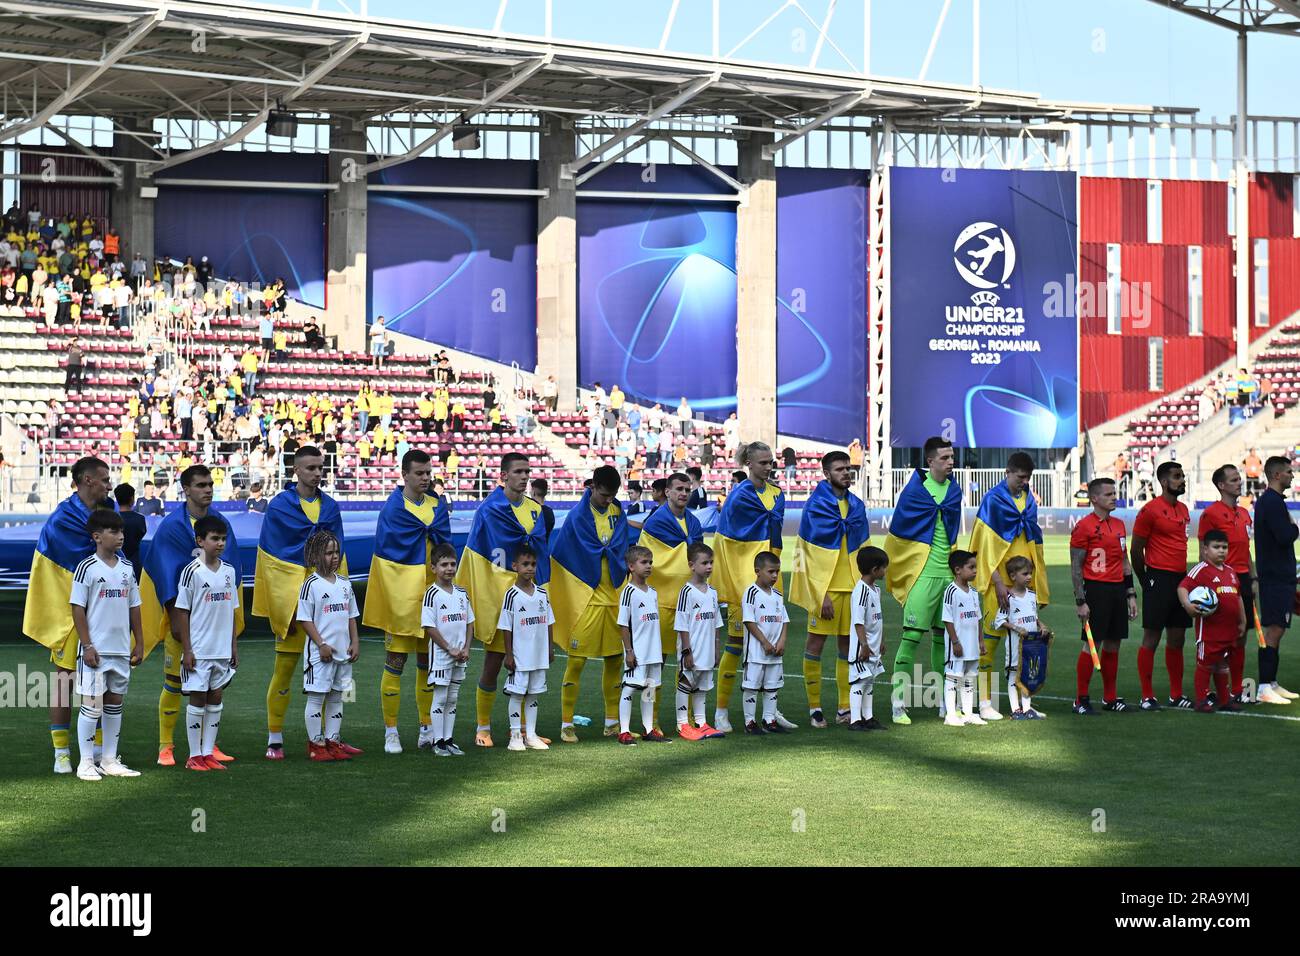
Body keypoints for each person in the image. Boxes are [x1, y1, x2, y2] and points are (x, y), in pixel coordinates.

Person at [139, 464, 244, 767]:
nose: (207, 489)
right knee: (175, 682)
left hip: (215, 623)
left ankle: (207, 747)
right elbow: (166, 571)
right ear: (186, 489)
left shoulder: (221, 522)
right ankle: (166, 746)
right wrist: (175, 621)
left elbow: (232, 570)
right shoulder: (173, 526)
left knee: (213, 688)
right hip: (185, 622)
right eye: (200, 485)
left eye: (210, 484)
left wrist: (231, 629)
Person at [253, 446, 348, 759]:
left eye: (320, 467)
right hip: (295, 609)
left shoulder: (331, 507)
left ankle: (328, 740)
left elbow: (339, 558)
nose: (317, 473)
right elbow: (271, 559)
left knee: (335, 681)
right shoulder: (280, 507)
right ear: (296, 470)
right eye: (310, 468)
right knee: (284, 672)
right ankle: (274, 739)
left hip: (327, 612)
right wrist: (287, 604)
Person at [23, 456, 114, 774]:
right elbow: (77, 564)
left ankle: (100, 750)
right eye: (104, 478)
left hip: (102, 609)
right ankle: (61, 751)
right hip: (70, 610)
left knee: (101, 682)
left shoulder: (108, 510)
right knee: (65, 681)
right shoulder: (64, 518)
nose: (108, 484)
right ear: (87, 480)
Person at [456, 453, 551, 748]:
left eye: (527, 471)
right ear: (504, 475)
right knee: (495, 662)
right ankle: (482, 727)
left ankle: (524, 730)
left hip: (530, 598)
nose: (524, 477)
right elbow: (477, 554)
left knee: (530, 664)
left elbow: (539, 553)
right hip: (500, 596)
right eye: (518, 472)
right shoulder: (489, 509)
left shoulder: (535, 510)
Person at [363, 449, 452, 753]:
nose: (426, 478)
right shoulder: (393, 510)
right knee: (395, 665)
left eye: (428, 472)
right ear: (404, 475)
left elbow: (445, 553)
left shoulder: (438, 507)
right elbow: (385, 560)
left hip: (431, 601)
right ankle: (391, 731)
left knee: (428, 667)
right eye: (419, 473)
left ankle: (426, 727)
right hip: (402, 601)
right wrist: (393, 599)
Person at [711, 441, 792, 733]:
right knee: (736, 646)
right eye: (763, 463)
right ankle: (721, 711)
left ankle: (770, 712)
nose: (769, 467)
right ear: (749, 464)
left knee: (773, 649)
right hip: (743, 582)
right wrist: (737, 583)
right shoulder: (739, 496)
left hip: (770, 578)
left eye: (771, 462)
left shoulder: (777, 494)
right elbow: (728, 543)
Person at [549, 466, 630, 743]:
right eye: (605, 494)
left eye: (613, 495)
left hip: (614, 598)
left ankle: (611, 722)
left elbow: (621, 549)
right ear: (592, 486)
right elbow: (562, 555)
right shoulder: (576, 516)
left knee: (615, 660)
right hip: (587, 600)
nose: (609, 500)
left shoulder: (619, 513)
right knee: (576, 662)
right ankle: (566, 723)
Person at [883, 437, 961, 725]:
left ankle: (944, 701)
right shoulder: (916, 490)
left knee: (943, 639)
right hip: (922, 575)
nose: (951, 461)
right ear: (930, 461)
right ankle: (898, 703)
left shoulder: (954, 491)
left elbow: (951, 532)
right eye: (945, 457)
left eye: (952, 456)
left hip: (946, 576)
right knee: (912, 637)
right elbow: (901, 529)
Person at [789, 451, 869, 728]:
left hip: (854, 588)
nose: (846, 473)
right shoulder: (816, 506)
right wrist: (819, 593)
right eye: (839, 469)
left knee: (848, 648)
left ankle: (845, 707)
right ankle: (815, 708)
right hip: (827, 590)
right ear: (826, 474)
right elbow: (806, 554)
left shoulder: (857, 506)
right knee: (815, 645)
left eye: (848, 468)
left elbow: (864, 549)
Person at [967, 452, 1049, 720]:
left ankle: (1023, 704)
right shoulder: (993, 500)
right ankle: (984, 703)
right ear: (1007, 472)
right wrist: (999, 582)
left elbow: (1034, 542)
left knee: (1024, 645)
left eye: (1028, 478)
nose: (1024, 482)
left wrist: (1033, 581)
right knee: (989, 643)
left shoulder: (1029, 501)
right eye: (1020, 477)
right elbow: (983, 547)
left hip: (1023, 586)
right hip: (999, 585)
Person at [69, 508, 144, 780]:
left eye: (121, 531)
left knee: (115, 704)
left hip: (121, 650)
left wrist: (140, 643)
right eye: (114, 531)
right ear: (97, 537)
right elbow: (77, 608)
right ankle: (86, 762)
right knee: (91, 706)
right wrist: (87, 645)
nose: (120, 536)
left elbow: (134, 606)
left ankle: (110, 760)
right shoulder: (86, 568)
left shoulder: (127, 568)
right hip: (96, 651)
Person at [173, 515, 241, 772]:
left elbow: (232, 610)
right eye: (215, 538)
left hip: (221, 649)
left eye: (223, 538)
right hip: (199, 650)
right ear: (200, 541)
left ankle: (208, 752)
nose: (220, 543)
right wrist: (187, 649)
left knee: (216, 699)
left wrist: (233, 646)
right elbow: (182, 611)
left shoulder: (229, 572)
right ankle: (194, 756)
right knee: (197, 700)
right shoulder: (191, 572)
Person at [1069, 477, 1138, 713]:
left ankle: (1110, 698)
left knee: (1113, 644)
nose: (1114, 497)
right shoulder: (1084, 527)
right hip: (1096, 590)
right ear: (1094, 498)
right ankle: (1081, 699)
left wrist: (1130, 594)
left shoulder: (1119, 525)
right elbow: (1076, 567)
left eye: (1114, 493)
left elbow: (1125, 560)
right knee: (1092, 644)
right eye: (1108, 494)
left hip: (1118, 589)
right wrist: (1081, 601)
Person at [1131, 461, 1193, 710]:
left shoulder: (1184, 509)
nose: (1182, 480)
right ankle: (1147, 695)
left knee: (1178, 638)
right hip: (1158, 577)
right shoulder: (1150, 511)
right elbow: (1136, 548)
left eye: (1183, 476)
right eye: (1177, 477)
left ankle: (1176, 695)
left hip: (1180, 579)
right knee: (1152, 637)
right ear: (1164, 482)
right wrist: (1144, 578)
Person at [297, 529, 361, 762]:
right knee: (317, 698)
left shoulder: (345, 583)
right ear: (315, 556)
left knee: (339, 697)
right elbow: (304, 619)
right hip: (320, 655)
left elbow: (351, 615)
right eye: (328, 553)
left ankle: (333, 741)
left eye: (336, 552)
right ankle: (316, 744)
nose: (334, 557)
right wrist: (321, 644)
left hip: (344, 654)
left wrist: (355, 642)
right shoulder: (310, 584)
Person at [1198, 464, 1256, 705]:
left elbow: (1246, 549)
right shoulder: (1211, 514)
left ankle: (1236, 689)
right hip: (1221, 579)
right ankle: (1212, 690)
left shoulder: (1244, 513)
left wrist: (1253, 578)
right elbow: (1203, 550)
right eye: (1233, 479)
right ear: (1221, 485)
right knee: (1217, 637)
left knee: (1241, 634)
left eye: (1238, 478)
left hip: (1242, 578)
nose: (1239, 482)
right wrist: (1209, 581)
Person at [1177, 529, 1245, 713]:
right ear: (1205, 549)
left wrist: (1243, 620)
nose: (1221, 551)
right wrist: (1188, 605)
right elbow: (1183, 587)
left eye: (1224, 547)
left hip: (1229, 629)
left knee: (1223, 665)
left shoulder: (1231, 572)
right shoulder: (1201, 570)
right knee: (1206, 664)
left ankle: (1224, 700)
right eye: (1216, 547)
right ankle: (1201, 700)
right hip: (1210, 631)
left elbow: (1237, 597)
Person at [497, 545, 555, 752]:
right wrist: (509, 654)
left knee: (534, 694)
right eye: (525, 564)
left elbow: (548, 621)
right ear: (515, 566)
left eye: (533, 564)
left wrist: (550, 648)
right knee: (517, 694)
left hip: (539, 654)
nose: (530, 568)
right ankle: (515, 736)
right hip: (520, 656)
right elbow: (506, 626)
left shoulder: (542, 593)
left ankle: (531, 735)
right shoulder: (511, 595)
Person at [1253, 455, 1299, 705]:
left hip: (1280, 576)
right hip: (1275, 578)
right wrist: (1295, 529)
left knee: (1278, 630)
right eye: (1289, 472)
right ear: (1277, 475)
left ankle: (1271, 683)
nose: (1292, 475)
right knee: (1274, 630)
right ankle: (1263, 686)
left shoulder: (1273, 502)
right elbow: (1285, 535)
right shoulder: (1271, 502)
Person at [421, 543, 473, 757]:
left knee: (453, 698)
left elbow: (470, 622)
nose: (449, 569)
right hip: (442, 656)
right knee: (440, 698)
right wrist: (448, 648)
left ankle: (449, 740)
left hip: (461, 655)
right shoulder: (431, 594)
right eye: (444, 565)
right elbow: (429, 626)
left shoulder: (462, 593)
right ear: (434, 568)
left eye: (452, 564)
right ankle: (437, 742)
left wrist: (466, 647)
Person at [615, 545, 667, 745]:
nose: (648, 566)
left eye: (650, 562)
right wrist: (629, 650)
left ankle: (648, 729)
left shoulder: (652, 592)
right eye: (644, 562)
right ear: (631, 566)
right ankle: (624, 731)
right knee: (629, 688)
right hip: (637, 651)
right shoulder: (629, 592)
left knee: (649, 689)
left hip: (653, 651)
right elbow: (623, 624)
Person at [673, 542, 725, 740]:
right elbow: (682, 624)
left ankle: (701, 723)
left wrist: (716, 648)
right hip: (692, 649)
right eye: (705, 563)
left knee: (702, 686)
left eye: (711, 562)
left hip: (707, 649)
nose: (709, 567)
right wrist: (686, 650)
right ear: (692, 565)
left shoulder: (712, 592)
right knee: (686, 683)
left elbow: (716, 623)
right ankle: (682, 724)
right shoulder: (686, 592)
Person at [991, 556, 1049, 718]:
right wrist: (1016, 628)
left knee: (1028, 674)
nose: (1029, 577)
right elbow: (999, 621)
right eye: (1025, 574)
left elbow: (1032, 616)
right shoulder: (1008, 598)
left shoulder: (1031, 595)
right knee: (1013, 674)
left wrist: (1041, 625)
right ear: (1013, 576)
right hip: (1015, 645)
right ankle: (1015, 709)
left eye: (1030, 573)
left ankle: (1027, 708)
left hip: (1032, 645)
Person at [740, 551, 789, 735]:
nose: (775, 576)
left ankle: (769, 719)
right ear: (757, 571)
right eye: (771, 572)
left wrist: (782, 641)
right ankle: (749, 722)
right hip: (756, 652)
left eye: (777, 571)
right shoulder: (751, 593)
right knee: (752, 686)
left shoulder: (777, 595)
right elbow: (749, 621)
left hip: (775, 652)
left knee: (772, 686)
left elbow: (784, 620)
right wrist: (764, 642)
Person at [847, 546, 890, 731]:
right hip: (862, 646)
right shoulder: (861, 591)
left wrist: (881, 640)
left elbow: (877, 617)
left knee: (870, 681)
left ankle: (868, 717)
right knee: (860, 681)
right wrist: (863, 645)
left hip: (873, 644)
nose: (885, 571)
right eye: (884, 567)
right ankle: (855, 720)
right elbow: (858, 621)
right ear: (875, 570)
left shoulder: (876, 590)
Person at [941, 550, 983, 726]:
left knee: (969, 678)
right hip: (957, 645)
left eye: (975, 567)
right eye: (971, 567)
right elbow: (947, 619)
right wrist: (955, 641)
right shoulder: (951, 591)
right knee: (953, 677)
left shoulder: (973, 592)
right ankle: (950, 715)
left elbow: (979, 618)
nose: (975, 571)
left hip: (972, 645)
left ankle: (968, 712)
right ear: (958, 570)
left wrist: (980, 641)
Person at [114, 483, 146, 577]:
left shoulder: (112, 519)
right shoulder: (140, 519)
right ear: (132, 499)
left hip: (115, 564)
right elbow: (142, 533)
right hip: (134, 563)